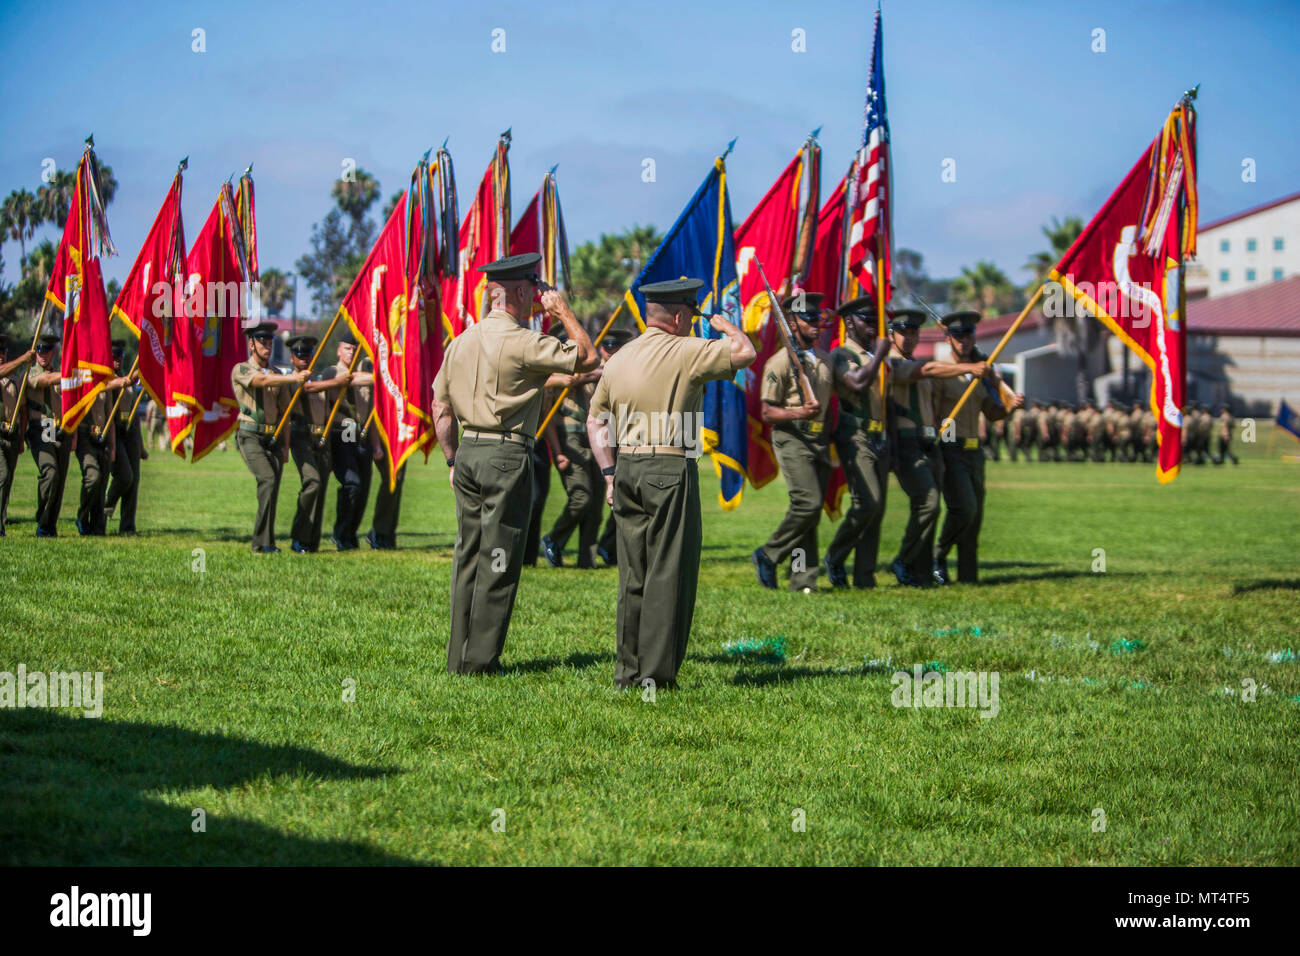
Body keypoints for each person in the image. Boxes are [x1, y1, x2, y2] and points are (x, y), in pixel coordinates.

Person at [432, 252, 598, 675]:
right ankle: (481, 661)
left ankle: (458, 657)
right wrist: (562, 310)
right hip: (507, 453)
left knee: (467, 555)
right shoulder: (523, 341)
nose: (538, 299)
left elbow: (441, 408)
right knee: (500, 556)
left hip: (468, 451)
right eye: (535, 291)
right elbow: (588, 357)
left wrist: (452, 458)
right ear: (522, 292)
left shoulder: (461, 341)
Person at [587, 278, 756, 689]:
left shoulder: (620, 358)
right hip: (669, 465)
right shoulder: (686, 350)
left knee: (634, 575)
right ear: (680, 316)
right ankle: (657, 677)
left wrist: (609, 473)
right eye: (693, 315)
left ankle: (628, 671)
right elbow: (746, 352)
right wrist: (724, 324)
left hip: (625, 466)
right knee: (669, 571)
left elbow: (596, 421)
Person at [883, 309, 987, 586]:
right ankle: (904, 561)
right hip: (905, 443)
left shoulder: (919, 364)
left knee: (934, 507)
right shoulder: (890, 364)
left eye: (914, 332)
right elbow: (927, 370)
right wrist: (970, 368)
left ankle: (923, 569)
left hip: (930, 444)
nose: (909, 338)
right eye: (903, 332)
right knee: (928, 504)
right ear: (892, 334)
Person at [930, 311, 1024, 584]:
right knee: (964, 508)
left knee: (975, 516)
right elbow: (935, 414)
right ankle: (938, 554)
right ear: (948, 339)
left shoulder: (983, 370)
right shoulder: (942, 370)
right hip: (952, 447)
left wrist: (1010, 406)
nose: (964, 341)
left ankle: (968, 575)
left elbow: (992, 413)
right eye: (958, 336)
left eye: (968, 335)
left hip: (975, 450)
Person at [753, 292, 835, 593]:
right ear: (791, 322)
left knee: (809, 513)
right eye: (808, 318)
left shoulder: (824, 359)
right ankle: (768, 554)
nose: (816, 324)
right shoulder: (780, 362)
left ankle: (802, 578)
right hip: (792, 437)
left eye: (817, 318)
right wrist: (800, 411)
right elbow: (766, 411)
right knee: (807, 503)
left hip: (819, 438)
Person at [823, 295, 892, 588]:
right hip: (855, 434)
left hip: (879, 434)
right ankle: (835, 557)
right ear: (849, 322)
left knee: (877, 510)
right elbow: (856, 383)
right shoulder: (842, 355)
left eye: (876, 321)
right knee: (868, 501)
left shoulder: (871, 357)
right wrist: (879, 354)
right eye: (867, 320)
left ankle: (865, 574)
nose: (873, 327)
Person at [231, 321, 309, 553]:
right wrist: (294, 379)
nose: (267, 345)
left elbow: (284, 412)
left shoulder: (276, 373)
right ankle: (260, 543)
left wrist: (285, 446)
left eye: (270, 341)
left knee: (272, 489)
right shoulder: (242, 369)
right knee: (267, 480)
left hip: (273, 438)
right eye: (262, 341)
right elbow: (261, 381)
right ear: (251, 345)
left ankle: (269, 542)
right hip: (250, 436)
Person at [541, 327, 605, 568]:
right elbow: (547, 417)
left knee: (597, 499)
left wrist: (588, 375)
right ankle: (553, 539)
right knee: (581, 497)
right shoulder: (552, 375)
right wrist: (557, 453)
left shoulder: (590, 370)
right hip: (568, 438)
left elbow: (596, 373)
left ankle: (586, 560)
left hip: (594, 436)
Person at [283, 334, 350, 553]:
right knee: (312, 483)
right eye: (299, 355)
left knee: (321, 488)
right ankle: (298, 537)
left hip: (322, 438)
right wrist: (337, 382)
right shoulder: (292, 380)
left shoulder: (317, 379)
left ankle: (311, 541)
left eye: (308, 354)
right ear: (292, 358)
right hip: (301, 436)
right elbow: (305, 389)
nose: (304, 358)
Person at [323, 332, 374, 550]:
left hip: (361, 434)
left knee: (363, 488)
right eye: (347, 348)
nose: (351, 352)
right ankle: (340, 532)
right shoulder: (332, 371)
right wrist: (384, 375)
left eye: (354, 349)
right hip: (342, 434)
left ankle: (350, 534)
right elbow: (351, 381)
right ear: (338, 350)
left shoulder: (362, 373)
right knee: (352, 483)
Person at [593, 329, 633, 566]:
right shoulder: (593, 367)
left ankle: (609, 546)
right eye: (607, 347)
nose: (611, 352)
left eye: (615, 347)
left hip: (620, 439)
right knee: (591, 499)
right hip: (596, 440)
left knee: (619, 496)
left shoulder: (626, 365)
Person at [26, 334, 72, 537]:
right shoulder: (33, 372)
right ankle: (42, 518)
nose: (42, 355)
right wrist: (71, 374)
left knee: (60, 480)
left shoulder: (58, 373)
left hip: (61, 428)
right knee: (50, 472)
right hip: (42, 426)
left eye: (47, 351)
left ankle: (49, 525)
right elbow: (44, 381)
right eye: (39, 351)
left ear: (53, 352)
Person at [104, 340, 147, 534]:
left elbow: (135, 412)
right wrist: (141, 371)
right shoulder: (106, 379)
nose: (118, 360)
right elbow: (124, 382)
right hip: (113, 431)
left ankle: (127, 526)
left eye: (120, 356)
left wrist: (142, 445)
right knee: (124, 476)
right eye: (114, 357)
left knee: (134, 480)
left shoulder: (125, 377)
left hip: (129, 431)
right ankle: (106, 506)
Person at [0, 335, 33, 535]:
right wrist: (24, 359)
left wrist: (21, 439)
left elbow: (23, 411)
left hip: (11, 434)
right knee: (2, 476)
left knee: (8, 479)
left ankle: (1, 523)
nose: (0, 356)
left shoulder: (14, 381)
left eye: (3, 352)